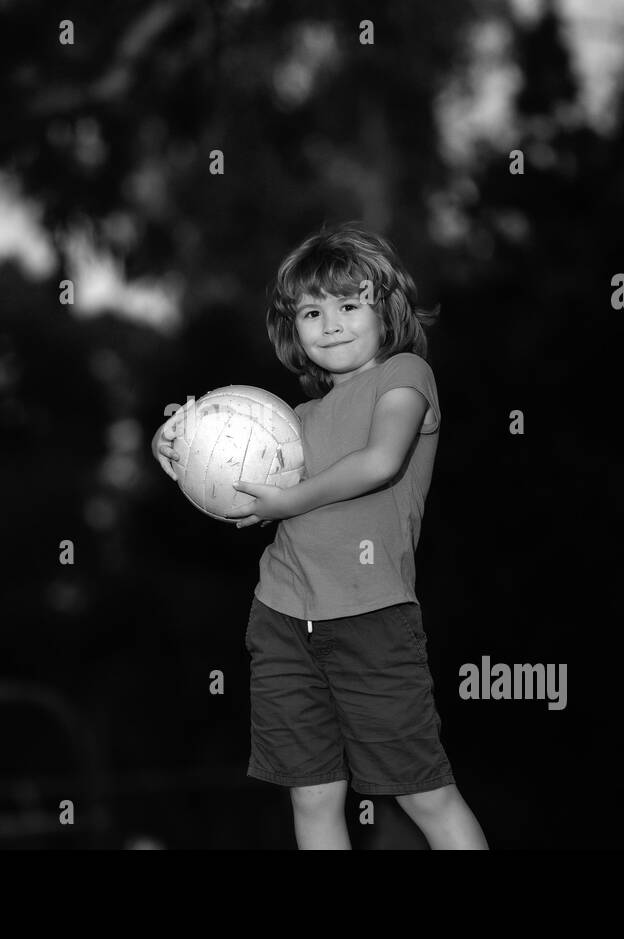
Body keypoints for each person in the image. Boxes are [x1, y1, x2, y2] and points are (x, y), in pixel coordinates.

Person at [153, 222, 488, 849]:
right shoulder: (288, 423)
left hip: (373, 618)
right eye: (312, 312)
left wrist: (287, 500)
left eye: (349, 306)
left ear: (386, 311)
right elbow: (225, 465)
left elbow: (379, 461)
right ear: (294, 330)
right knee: (311, 795)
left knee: (423, 792)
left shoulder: (405, 376)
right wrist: (170, 443)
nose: (330, 324)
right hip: (281, 620)